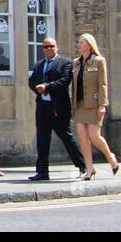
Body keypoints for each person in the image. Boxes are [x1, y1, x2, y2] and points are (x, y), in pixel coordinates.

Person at [27, 37, 86, 181]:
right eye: (45, 47)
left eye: (51, 46)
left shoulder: (65, 63)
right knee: (42, 141)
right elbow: (32, 81)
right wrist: (38, 89)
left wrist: (47, 87)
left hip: (58, 108)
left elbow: (65, 81)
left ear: (57, 47)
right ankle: (42, 172)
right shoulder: (39, 64)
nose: (48, 49)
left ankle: (83, 166)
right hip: (42, 107)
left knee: (67, 138)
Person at [72, 33, 119, 179]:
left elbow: (102, 84)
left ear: (89, 45)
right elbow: (74, 86)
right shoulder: (76, 63)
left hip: (94, 104)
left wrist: (102, 105)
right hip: (79, 105)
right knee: (82, 136)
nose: (78, 45)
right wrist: (73, 105)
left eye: (81, 43)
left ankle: (111, 158)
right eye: (79, 42)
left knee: (94, 136)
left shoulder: (99, 61)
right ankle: (89, 168)